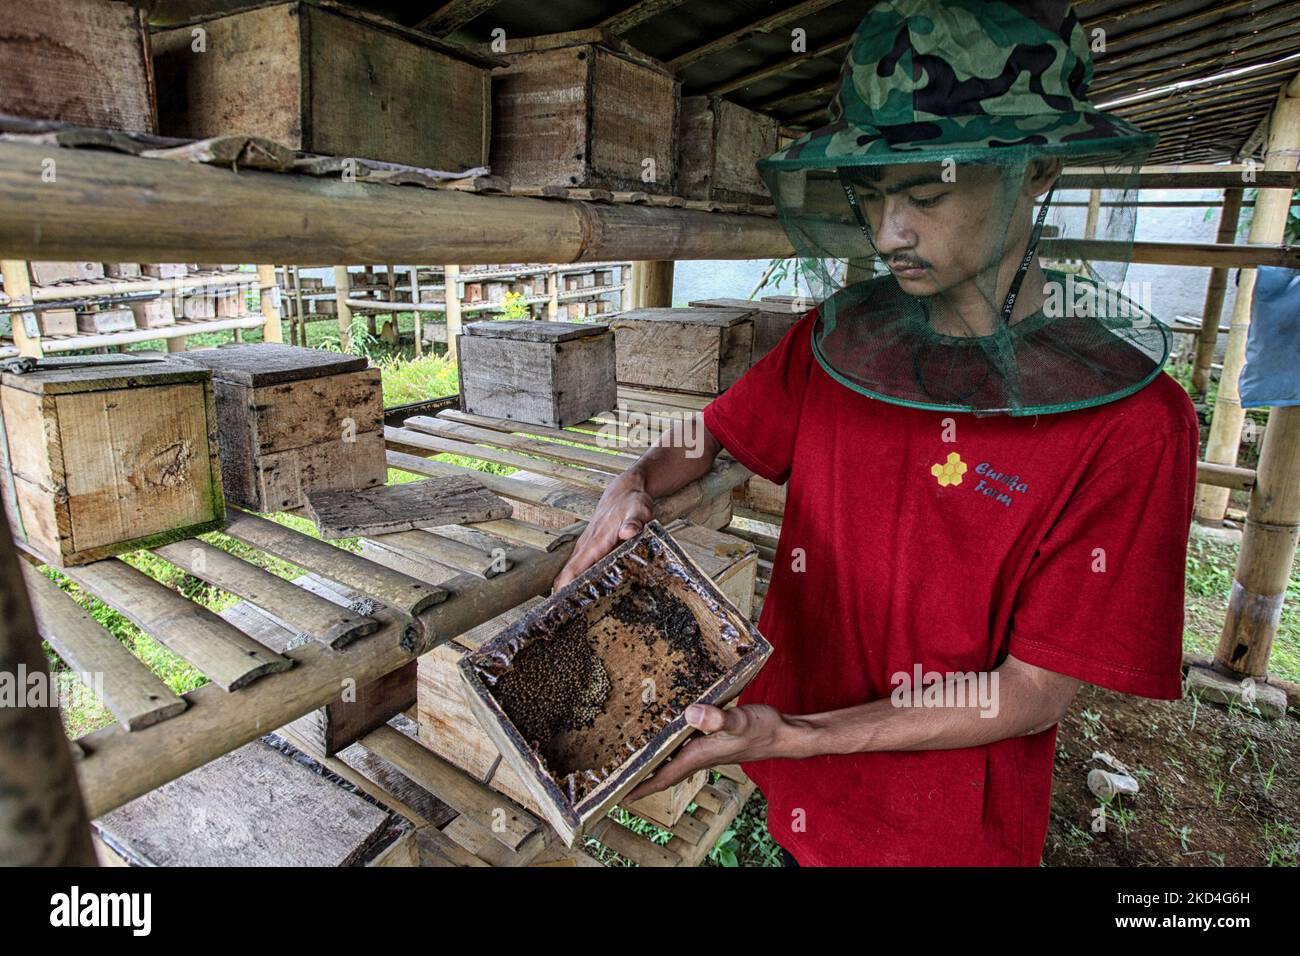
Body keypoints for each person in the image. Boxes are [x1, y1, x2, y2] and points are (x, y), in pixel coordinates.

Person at [552, 0, 1199, 866]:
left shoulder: (1133, 426)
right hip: (802, 799)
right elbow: (707, 432)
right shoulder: (840, 338)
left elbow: (1031, 691)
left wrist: (798, 734)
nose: (893, 232)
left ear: (1037, 167)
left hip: (943, 835)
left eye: (926, 193)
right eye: (876, 195)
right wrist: (631, 479)